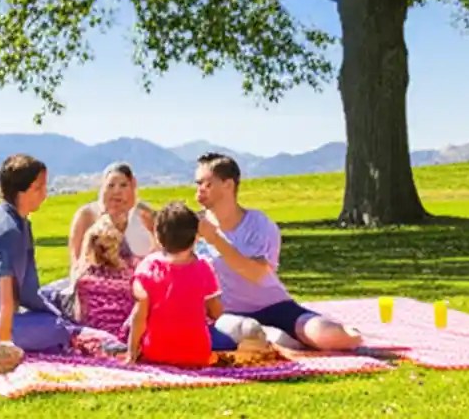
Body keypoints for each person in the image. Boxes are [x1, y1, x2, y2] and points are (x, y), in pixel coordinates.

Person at [194, 152, 363, 351]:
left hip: (274, 306)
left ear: (228, 185)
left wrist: (215, 239)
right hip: (228, 317)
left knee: (334, 337)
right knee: (264, 338)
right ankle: (273, 339)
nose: (198, 191)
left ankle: (289, 337)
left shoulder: (258, 224)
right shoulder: (193, 228)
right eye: (197, 184)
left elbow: (256, 273)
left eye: (206, 184)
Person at [0, 153, 72, 366]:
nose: (45, 194)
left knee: (57, 311)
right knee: (58, 330)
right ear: (21, 191)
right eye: (39, 188)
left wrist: (54, 311)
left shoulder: (19, 223)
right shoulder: (8, 230)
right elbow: (6, 294)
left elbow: (28, 291)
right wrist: (2, 342)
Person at [128, 201, 231, 367]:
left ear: (158, 237)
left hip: (156, 352)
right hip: (197, 353)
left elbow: (140, 314)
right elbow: (216, 311)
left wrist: (131, 352)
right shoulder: (204, 267)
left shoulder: (149, 266)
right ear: (196, 237)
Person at [68, 162, 157, 268]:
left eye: (123, 185)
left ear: (133, 186)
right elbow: (76, 262)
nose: (116, 191)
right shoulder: (87, 215)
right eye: (111, 185)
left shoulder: (147, 215)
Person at [72, 214, 137, 342]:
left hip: (93, 338)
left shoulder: (82, 279)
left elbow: (79, 316)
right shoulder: (130, 277)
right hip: (124, 338)